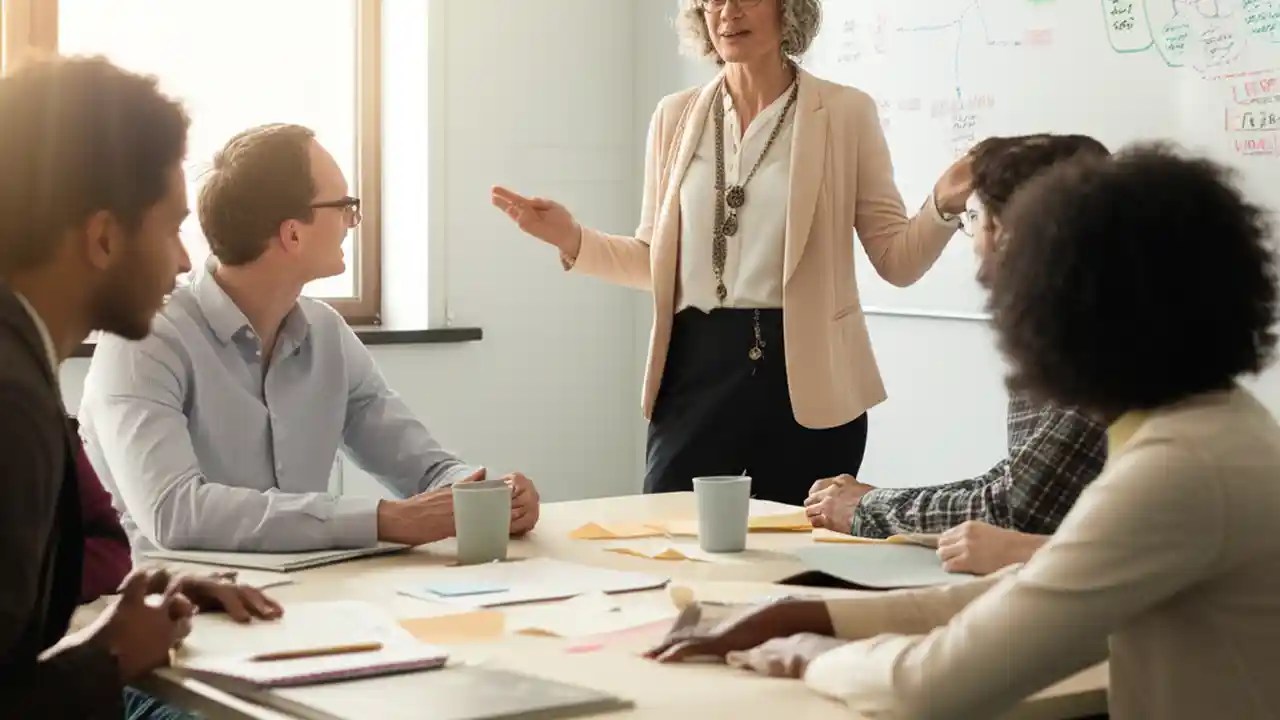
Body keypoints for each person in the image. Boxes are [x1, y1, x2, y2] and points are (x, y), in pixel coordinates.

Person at [645, 144, 1280, 719]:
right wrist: (810, 614)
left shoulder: (1176, 472)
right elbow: (1029, 590)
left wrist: (813, 653)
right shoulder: (1211, 430)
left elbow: (932, 686)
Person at [491, 0, 972, 505]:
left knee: (797, 561)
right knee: (672, 539)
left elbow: (897, 260)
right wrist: (573, 239)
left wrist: (942, 203)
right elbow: (656, 262)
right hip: (695, 367)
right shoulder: (673, 117)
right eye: (713, 0)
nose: (728, 12)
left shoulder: (845, 112)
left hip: (806, 377)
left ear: (788, 8)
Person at [79, 123, 540, 554]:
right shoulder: (143, 339)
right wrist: (385, 520)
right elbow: (174, 514)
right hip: (170, 611)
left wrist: (490, 493)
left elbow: (425, 469)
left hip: (304, 598)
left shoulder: (326, 335)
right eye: (343, 207)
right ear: (293, 234)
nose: (351, 221)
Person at [0, 55, 280, 719]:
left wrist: (114, 606)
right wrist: (112, 656)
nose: (185, 260)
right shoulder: (10, 405)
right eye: (173, 225)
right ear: (102, 237)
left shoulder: (22, 362)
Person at [804, 134, 1111, 576]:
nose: (973, 241)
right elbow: (1015, 480)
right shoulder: (1069, 330)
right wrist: (874, 501)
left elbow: (1017, 509)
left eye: (971, 217)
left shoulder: (1102, 350)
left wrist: (866, 508)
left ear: (1010, 230)